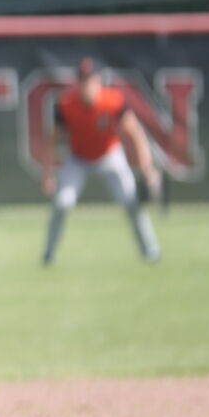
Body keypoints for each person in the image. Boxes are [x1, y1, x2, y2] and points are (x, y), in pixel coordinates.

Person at [41, 57, 162, 266]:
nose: (87, 85)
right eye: (83, 80)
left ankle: (150, 251)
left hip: (109, 155)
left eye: (90, 79)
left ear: (98, 81)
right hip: (78, 158)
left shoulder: (113, 101)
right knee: (62, 203)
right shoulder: (67, 104)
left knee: (132, 202)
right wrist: (47, 174)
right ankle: (48, 253)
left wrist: (147, 168)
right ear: (77, 82)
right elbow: (52, 141)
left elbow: (136, 134)